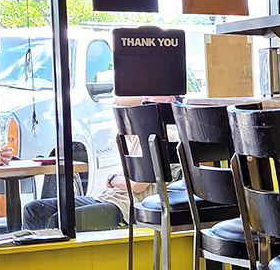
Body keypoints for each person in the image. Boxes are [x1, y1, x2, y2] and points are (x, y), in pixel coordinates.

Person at [22, 97, 177, 231]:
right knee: (33, 210)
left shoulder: (166, 135)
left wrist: (113, 179)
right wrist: (147, 98)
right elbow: (117, 100)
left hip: (128, 206)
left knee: (59, 221)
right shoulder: (141, 130)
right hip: (109, 197)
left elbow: (137, 185)